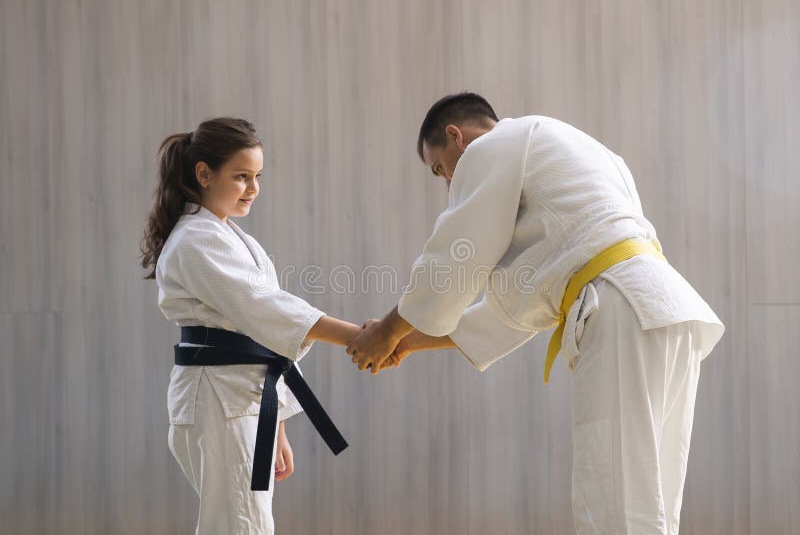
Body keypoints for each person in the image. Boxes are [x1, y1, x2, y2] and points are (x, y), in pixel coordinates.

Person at [347, 93, 725, 534]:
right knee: (651, 497)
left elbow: (454, 260)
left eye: (439, 168)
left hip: (622, 309)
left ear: (456, 136)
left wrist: (389, 329)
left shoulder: (492, 147)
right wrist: (405, 340)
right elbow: (516, 309)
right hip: (664, 308)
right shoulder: (582, 151)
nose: (448, 181)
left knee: (614, 497)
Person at [140, 117, 369, 534]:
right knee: (240, 526)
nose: (253, 188)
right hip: (219, 400)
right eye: (241, 176)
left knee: (241, 523)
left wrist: (276, 425)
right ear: (204, 174)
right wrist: (360, 337)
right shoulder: (196, 239)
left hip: (242, 399)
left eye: (257, 176)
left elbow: (266, 332)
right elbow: (267, 310)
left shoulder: (228, 236)